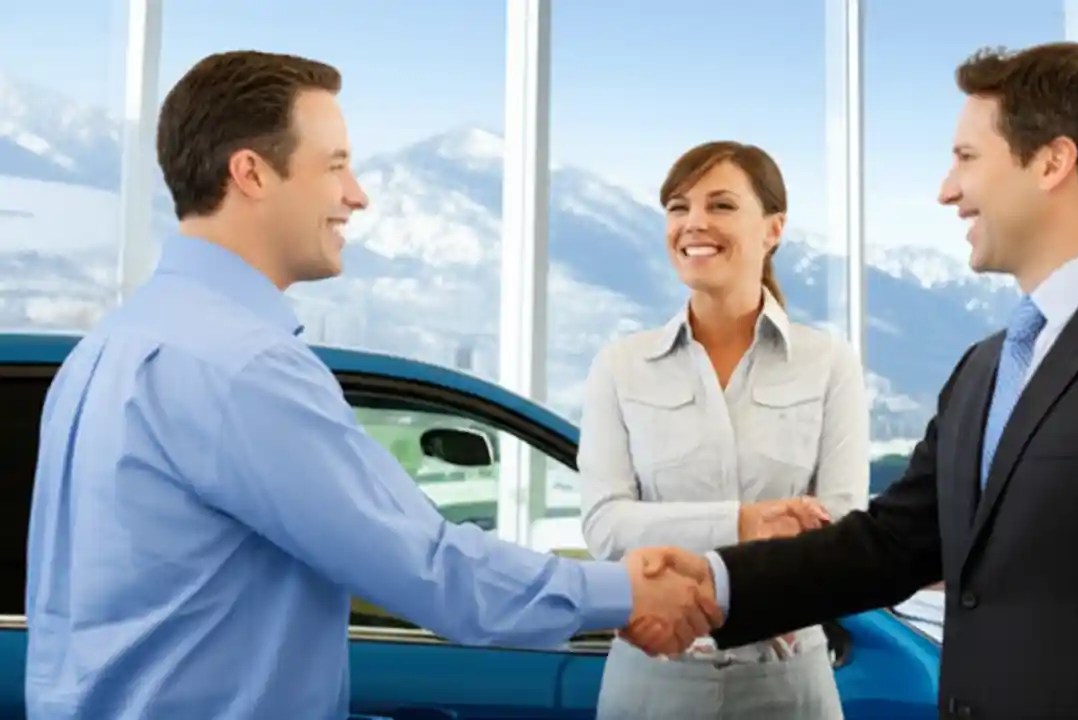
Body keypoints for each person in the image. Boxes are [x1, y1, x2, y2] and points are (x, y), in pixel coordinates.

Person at [23, 50, 717, 720]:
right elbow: (431, 570)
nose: (357, 194)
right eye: (336, 166)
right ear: (252, 174)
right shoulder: (243, 368)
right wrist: (623, 590)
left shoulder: (108, 348)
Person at [627, 42, 1078, 719]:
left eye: (967, 158)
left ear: (1053, 162)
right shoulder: (984, 368)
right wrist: (717, 581)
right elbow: (890, 544)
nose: (947, 189)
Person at [578, 140, 868, 719]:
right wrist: (746, 523)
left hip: (788, 683)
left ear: (774, 228)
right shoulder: (621, 364)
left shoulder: (829, 362)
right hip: (651, 684)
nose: (694, 224)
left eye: (721, 205)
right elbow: (607, 526)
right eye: (679, 207)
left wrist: (685, 547)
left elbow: (839, 533)